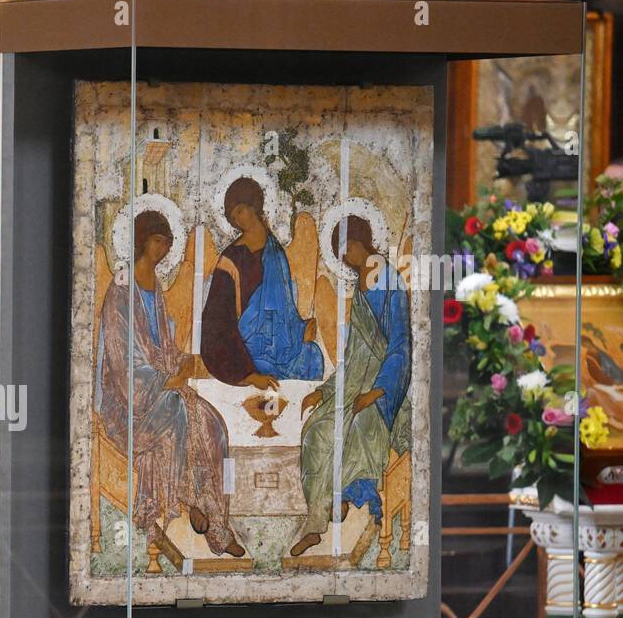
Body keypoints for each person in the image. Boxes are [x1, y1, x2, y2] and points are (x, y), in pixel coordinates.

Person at [97, 209, 244, 557]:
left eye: (168, 242)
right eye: (157, 240)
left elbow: (161, 346)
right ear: (142, 240)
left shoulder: (155, 286)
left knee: (214, 425)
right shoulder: (121, 287)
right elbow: (121, 360)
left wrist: (183, 363)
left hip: (162, 386)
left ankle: (217, 517)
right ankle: (191, 502)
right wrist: (165, 379)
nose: (163, 248)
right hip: (128, 400)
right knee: (176, 410)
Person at [291, 215, 411, 557]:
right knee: (316, 430)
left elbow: (401, 345)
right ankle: (316, 520)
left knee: (360, 425)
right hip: (356, 384)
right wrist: (326, 391)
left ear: (362, 242)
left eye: (348, 249)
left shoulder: (388, 280)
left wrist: (378, 391)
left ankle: (341, 498)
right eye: (340, 254)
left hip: (388, 389)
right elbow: (353, 356)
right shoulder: (361, 288)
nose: (346, 258)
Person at [201, 176, 324, 388]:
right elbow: (217, 320)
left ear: (253, 205)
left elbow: (286, 309)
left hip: (281, 343)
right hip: (248, 348)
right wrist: (247, 374)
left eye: (240, 211)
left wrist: (301, 328)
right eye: (233, 217)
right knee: (265, 366)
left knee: (313, 357)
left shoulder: (275, 251)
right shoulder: (231, 259)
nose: (238, 220)